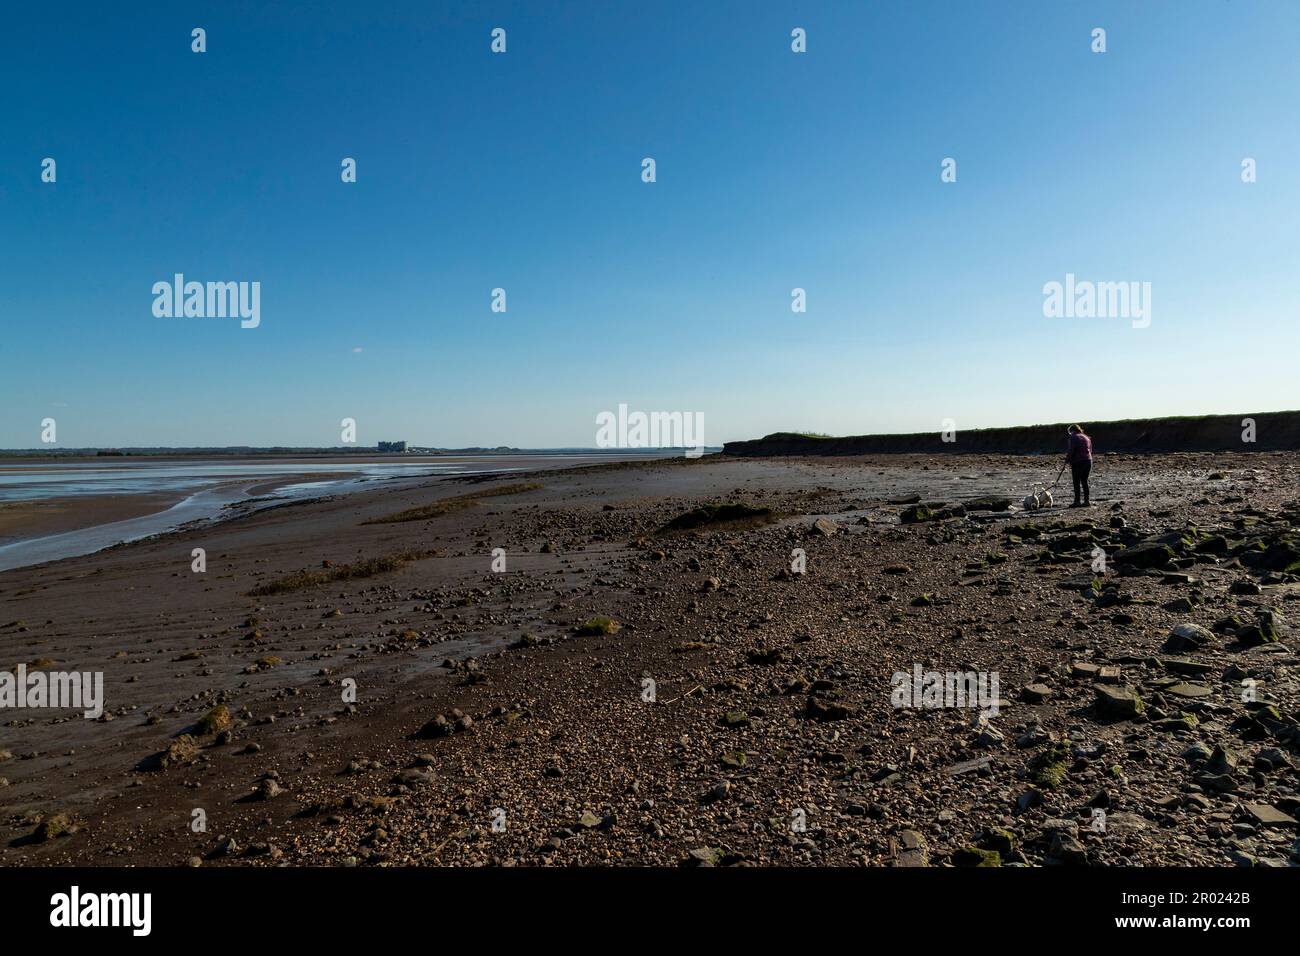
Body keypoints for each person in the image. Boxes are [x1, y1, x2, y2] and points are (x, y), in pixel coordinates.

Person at [1064, 424, 1093, 507]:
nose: (1069, 434)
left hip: (1078, 461)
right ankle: (1087, 501)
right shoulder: (1086, 437)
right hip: (1088, 460)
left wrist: (1067, 459)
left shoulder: (1073, 437)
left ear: (1072, 431)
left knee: (1076, 481)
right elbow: (1090, 450)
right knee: (1084, 481)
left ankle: (1077, 501)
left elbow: (1071, 450)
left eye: (1069, 432)